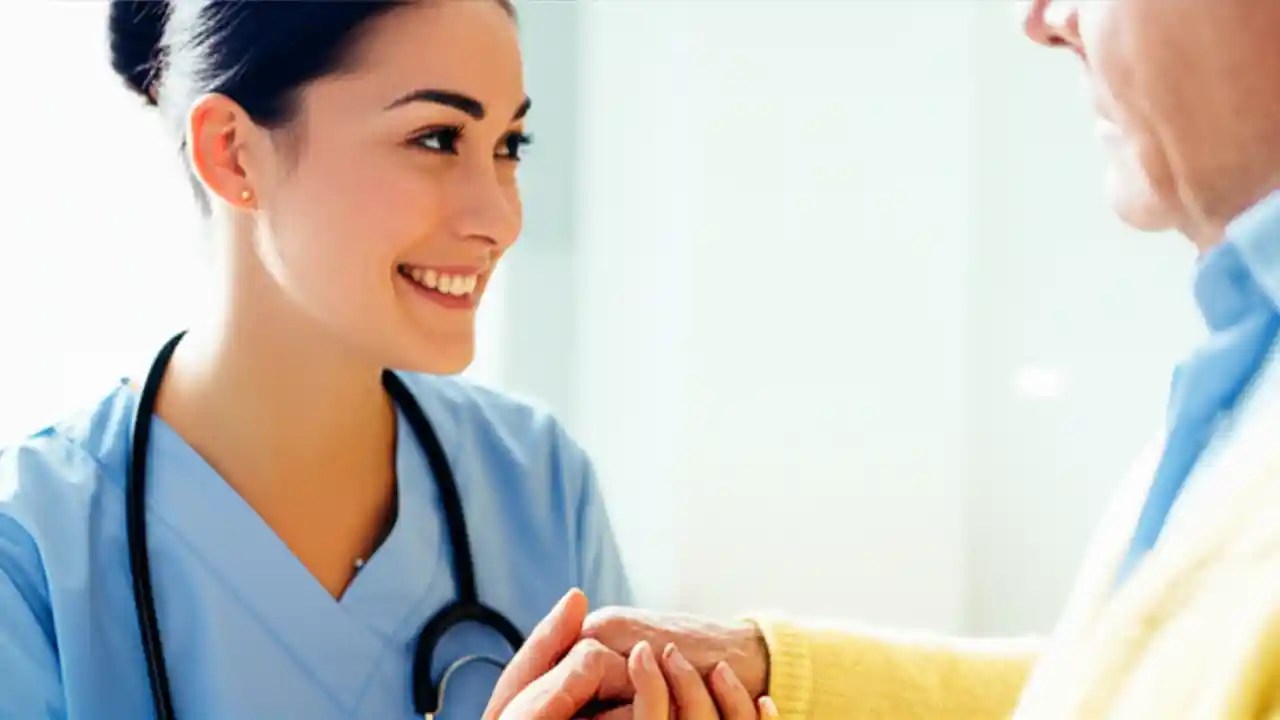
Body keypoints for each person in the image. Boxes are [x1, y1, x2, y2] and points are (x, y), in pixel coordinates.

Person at [492, 0, 1280, 717]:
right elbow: (1116, 688)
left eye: (508, 145)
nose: (1039, 17)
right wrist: (767, 671)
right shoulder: (1241, 365)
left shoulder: (532, 472)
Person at [0, 2, 762, 717]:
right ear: (232, 153)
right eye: (436, 139)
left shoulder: (538, 487)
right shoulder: (31, 554)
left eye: (508, 146)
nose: (500, 217)